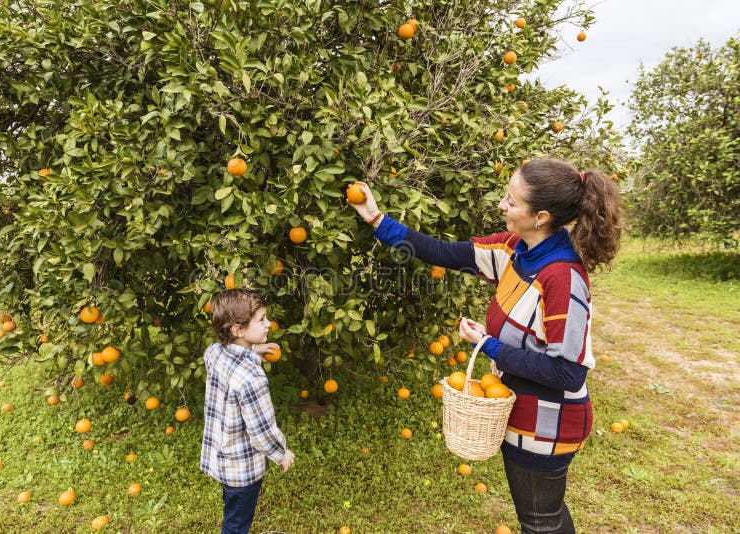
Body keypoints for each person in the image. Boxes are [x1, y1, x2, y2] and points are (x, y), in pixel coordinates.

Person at [350, 158, 621, 533]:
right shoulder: (516, 251)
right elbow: (443, 253)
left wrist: (489, 345)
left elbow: (568, 371)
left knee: (540, 521)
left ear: (540, 216)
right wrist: (375, 218)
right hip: (522, 411)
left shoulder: (561, 277)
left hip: (547, 422)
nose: (501, 206)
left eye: (511, 201)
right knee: (543, 515)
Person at [200, 288, 296, 534]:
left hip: (222, 459)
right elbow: (261, 431)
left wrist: (253, 351)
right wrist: (282, 453)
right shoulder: (253, 379)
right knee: (236, 525)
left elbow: (224, 354)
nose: (268, 324)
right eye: (262, 319)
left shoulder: (214, 353)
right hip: (242, 470)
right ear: (238, 330)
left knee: (232, 509)